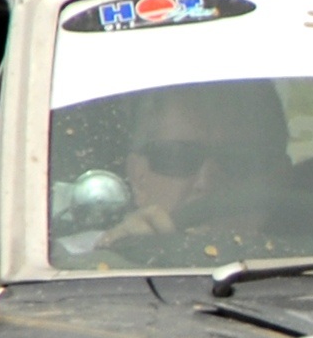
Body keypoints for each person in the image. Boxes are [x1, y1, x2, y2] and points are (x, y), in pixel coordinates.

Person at [97, 80, 294, 253]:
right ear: (138, 177)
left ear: (277, 179)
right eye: (179, 157)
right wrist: (120, 255)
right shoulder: (81, 271)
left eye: (238, 160)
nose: (206, 182)